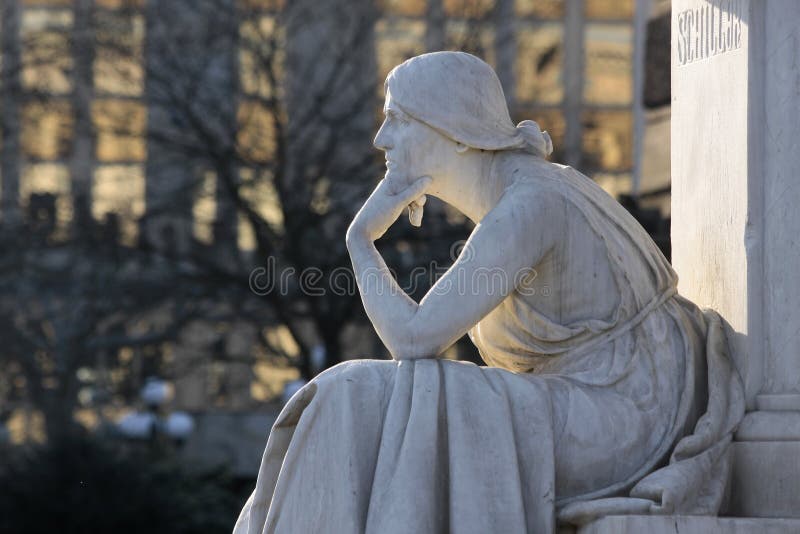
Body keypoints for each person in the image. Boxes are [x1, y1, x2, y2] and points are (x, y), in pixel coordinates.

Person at [233, 51, 743, 534]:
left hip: (618, 421)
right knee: (363, 396)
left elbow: (413, 340)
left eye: (399, 119)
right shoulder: (516, 200)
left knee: (355, 393)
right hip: (586, 405)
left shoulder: (534, 201)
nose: (381, 139)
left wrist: (360, 243)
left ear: (456, 133)